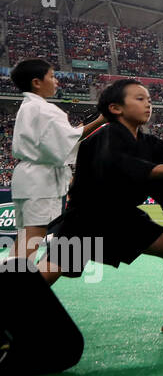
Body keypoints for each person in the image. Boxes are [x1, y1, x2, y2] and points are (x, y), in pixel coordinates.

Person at [38, 79, 163, 334]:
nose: (148, 103)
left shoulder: (150, 144)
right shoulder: (105, 136)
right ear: (116, 108)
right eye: (140, 99)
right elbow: (117, 167)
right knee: (49, 273)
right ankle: (9, 315)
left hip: (123, 217)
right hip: (88, 218)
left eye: (149, 100)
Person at [8, 59, 102, 262]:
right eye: (51, 76)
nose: (56, 81)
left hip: (27, 175)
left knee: (26, 235)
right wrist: (102, 120)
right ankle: (13, 285)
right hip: (39, 179)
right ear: (36, 82)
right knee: (34, 234)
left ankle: (12, 279)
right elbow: (71, 139)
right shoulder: (44, 109)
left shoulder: (29, 106)